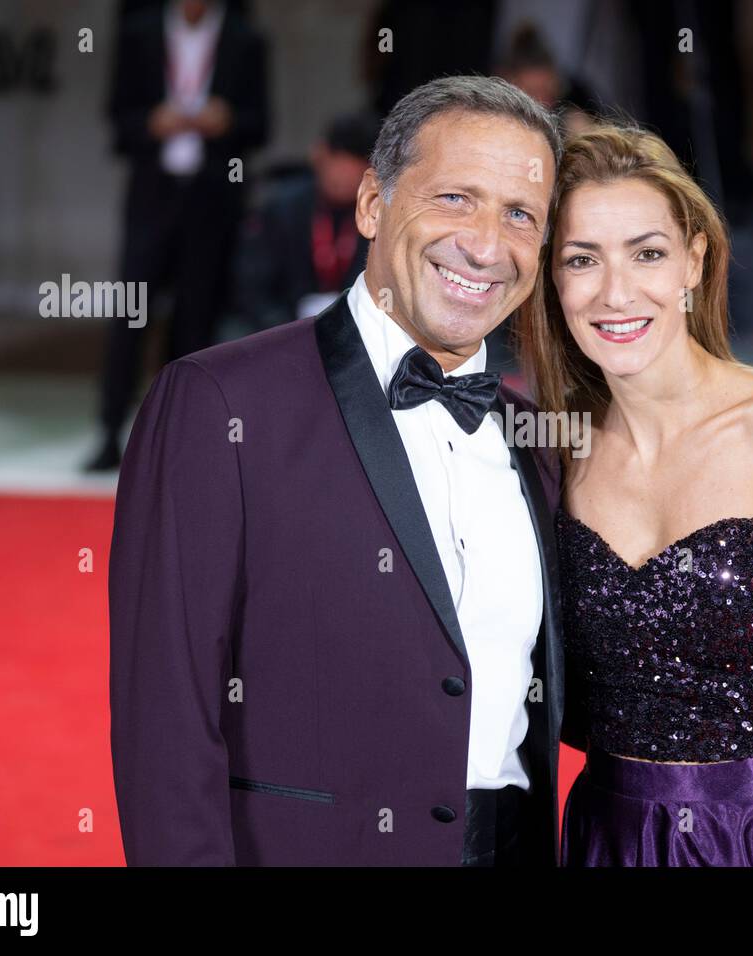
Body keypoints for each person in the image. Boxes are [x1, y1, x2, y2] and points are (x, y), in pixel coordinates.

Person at [109, 76, 565, 866]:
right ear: (371, 205)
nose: (488, 245)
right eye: (456, 198)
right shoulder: (217, 405)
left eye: (520, 214)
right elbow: (165, 723)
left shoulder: (538, 440)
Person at [516, 123, 753, 866]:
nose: (616, 292)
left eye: (648, 253)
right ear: (551, 277)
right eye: (581, 260)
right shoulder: (552, 450)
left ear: (694, 261)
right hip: (608, 842)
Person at [86, 0, 269, 472]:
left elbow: (261, 123)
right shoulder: (139, 32)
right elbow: (117, 120)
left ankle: (185, 434)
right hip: (152, 196)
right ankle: (109, 431)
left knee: (197, 317)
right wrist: (151, 122)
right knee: (130, 310)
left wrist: (227, 121)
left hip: (211, 199)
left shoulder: (245, 38)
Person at [234, 110, 380, 330]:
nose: (343, 176)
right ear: (319, 155)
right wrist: (290, 330)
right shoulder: (281, 208)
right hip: (282, 330)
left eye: (353, 168)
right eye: (337, 164)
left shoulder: (380, 215)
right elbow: (251, 287)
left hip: (355, 328)